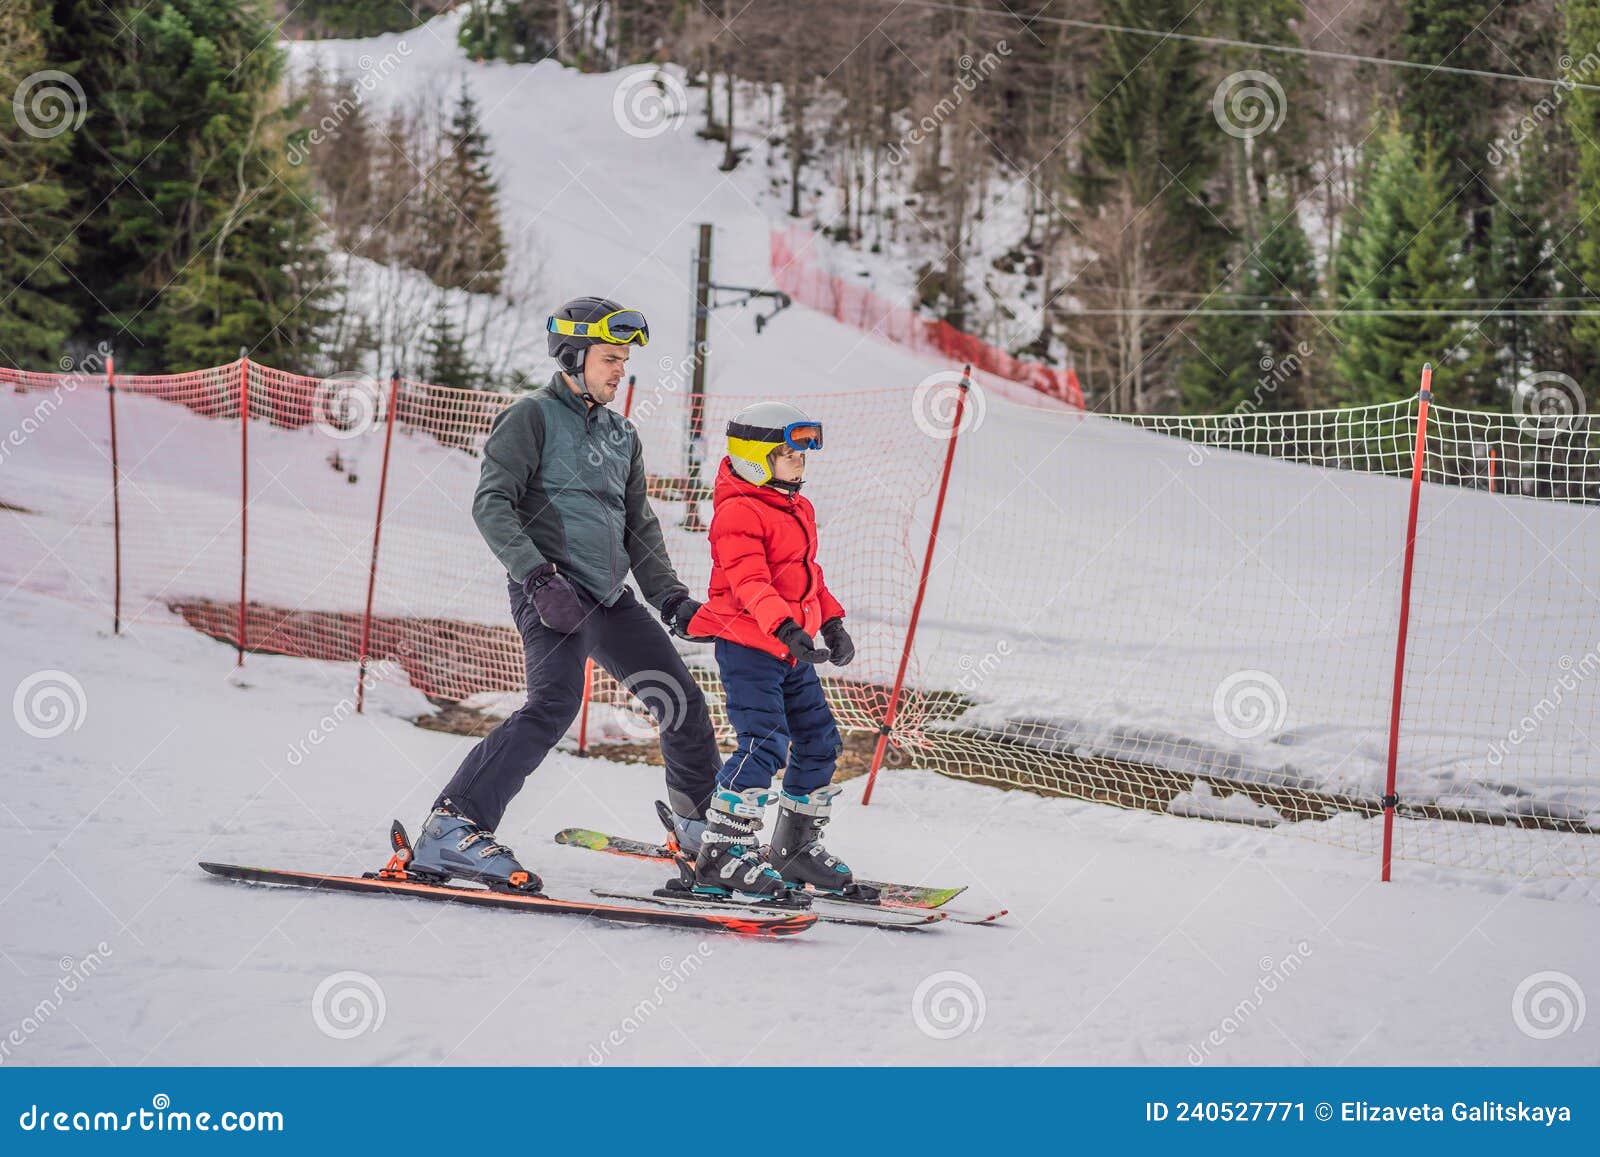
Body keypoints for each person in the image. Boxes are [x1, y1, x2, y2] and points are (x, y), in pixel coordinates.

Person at [409, 297, 716, 892]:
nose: (618, 370)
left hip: (609, 598)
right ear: (573, 357)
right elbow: (491, 503)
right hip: (553, 592)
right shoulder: (531, 417)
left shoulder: (622, 433)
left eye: (623, 359)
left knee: (679, 701)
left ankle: (703, 834)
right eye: (608, 358)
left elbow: (639, 526)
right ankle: (451, 828)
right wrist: (537, 576)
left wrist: (669, 597)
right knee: (552, 705)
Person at [682, 401, 858, 900]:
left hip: (789, 650)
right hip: (749, 646)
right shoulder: (738, 511)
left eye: (804, 453)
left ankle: (795, 848)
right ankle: (720, 852)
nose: (800, 463)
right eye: (789, 453)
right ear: (756, 458)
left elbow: (808, 576)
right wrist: (782, 625)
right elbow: (749, 581)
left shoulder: (797, 507)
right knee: (764, 744)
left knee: (820, 741)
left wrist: (831, 620)